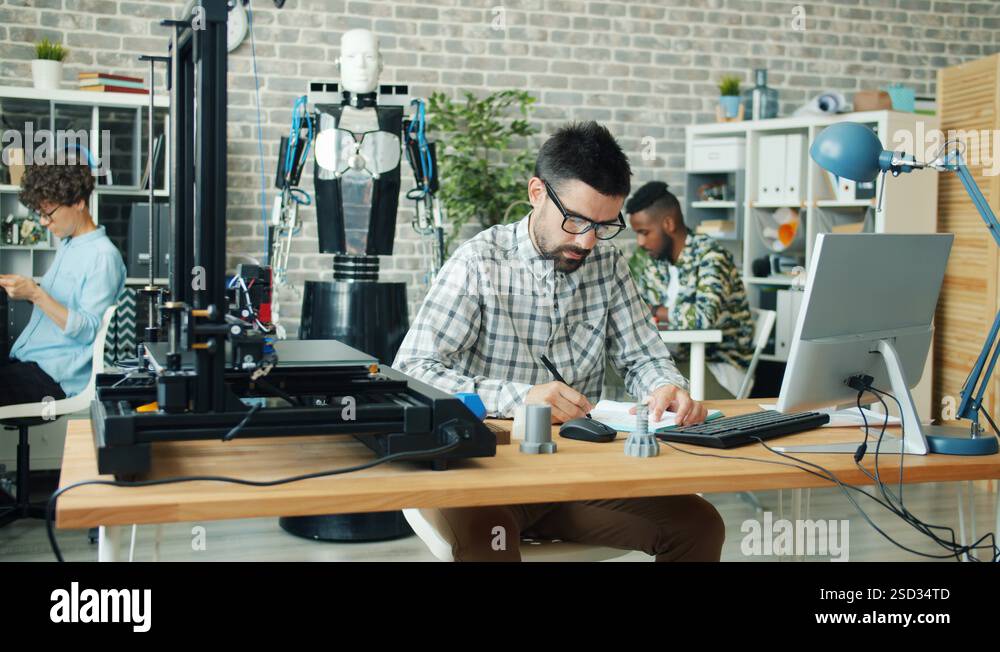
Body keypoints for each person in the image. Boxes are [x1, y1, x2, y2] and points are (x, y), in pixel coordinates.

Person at [394, 122, 725, 562]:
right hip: (482, 475)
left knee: (700, 527)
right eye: (575, 220)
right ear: (536, 193)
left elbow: (644, 357)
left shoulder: (608, 264)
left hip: (575, 477)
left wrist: (664, 386)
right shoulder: (479, 262)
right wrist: (523, 398)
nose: (587, 241)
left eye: (605, 226)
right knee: (488, 539)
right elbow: (413, 371)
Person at [0, 162, 125, 408]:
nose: (44, 222)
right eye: (40, 214)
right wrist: (25, 290)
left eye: (49, 214)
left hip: (53, 378)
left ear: (79, 202)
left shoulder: (103, 256)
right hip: (28, 362)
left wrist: (36, 294)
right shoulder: (69, 244)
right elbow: (60, 305)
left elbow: (88, 329)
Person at [627, 181, 753, 399]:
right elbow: (640, 311)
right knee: (618, 366)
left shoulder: (711, 257)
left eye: (645, 232)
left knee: (642, 379)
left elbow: (702, 318)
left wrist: (657, 311)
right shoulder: (658, 261)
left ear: (668, 224)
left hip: (719, 370)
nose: (640, 241)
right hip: (680, 361)